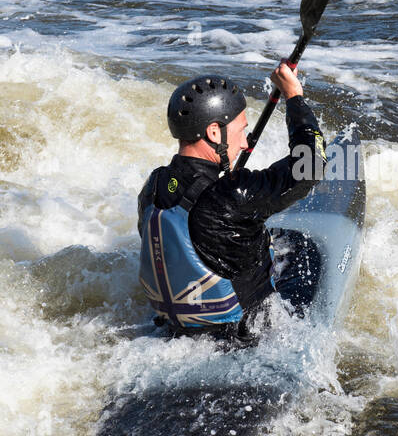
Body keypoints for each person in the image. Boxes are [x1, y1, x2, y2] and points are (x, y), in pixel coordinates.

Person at [137, 65, 326, 340]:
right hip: (243, 340)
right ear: (214, 132)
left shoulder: (154, 187)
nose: (246, 142)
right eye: (241, 131)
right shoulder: (231, 195)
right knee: (302, 248)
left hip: (179, 334)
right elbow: (310, 165)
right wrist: (294, 96)